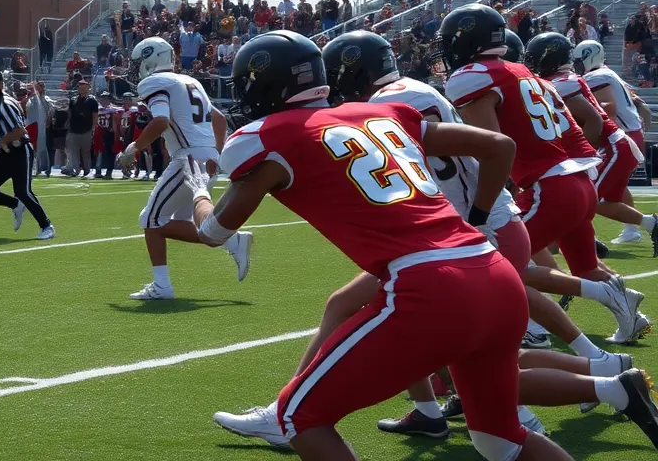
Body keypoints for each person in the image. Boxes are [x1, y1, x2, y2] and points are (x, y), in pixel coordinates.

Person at [199, 30, 573, 461]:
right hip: (494, 272)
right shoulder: (388, 112)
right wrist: (478, 216)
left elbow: (214, 232)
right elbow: (498, 146)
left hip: (428, 286)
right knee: (500, 439)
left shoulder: (270, 136)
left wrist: (197, 193)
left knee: (297, 419)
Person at [442, 5, 649, 344]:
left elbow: (492, 146)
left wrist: (479, 212)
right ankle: (632, 316)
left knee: (501, 262)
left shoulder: (473, 77)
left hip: (552, 187)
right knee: (586, 267)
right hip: (578, 181)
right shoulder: (522, 71)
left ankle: (533, 331)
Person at [115, 36, 251, 300]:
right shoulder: (191, 81)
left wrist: (133, 149)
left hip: (188, 159)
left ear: (150, 59)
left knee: (151, 219)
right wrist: (216, 152)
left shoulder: (156, 82)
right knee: (178, 224)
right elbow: (220, 119)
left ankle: (163, 286)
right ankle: (233, 241)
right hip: (206, 156)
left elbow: (161, 121)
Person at [573, 39, 656, 247]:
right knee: (615, 191)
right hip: (630, 134)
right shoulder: (608, 73)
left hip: (619, 138)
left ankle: (584, 238)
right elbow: (639, 103)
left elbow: (607, 108)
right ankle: (632, 230)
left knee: (589, 195)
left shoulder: (597, 76)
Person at [0, 69, 55, 239]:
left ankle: (47, 226)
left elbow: (19, 131)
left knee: (23, 191)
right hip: (4, 154)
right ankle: (15, 205)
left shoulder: (6, 104)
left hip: (19, 151)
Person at [64, 78, 98, 176]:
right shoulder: (73, 100)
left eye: (84, 86)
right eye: (80, 86)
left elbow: (95, 115)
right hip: (74, 129)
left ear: (88, 88)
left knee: (86, 152)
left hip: (86, 129)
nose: (82, 88)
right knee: (74, 151)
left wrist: (93, 128)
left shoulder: (92, 100)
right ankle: (75, 169)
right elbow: (69, 113)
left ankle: (87, 170)